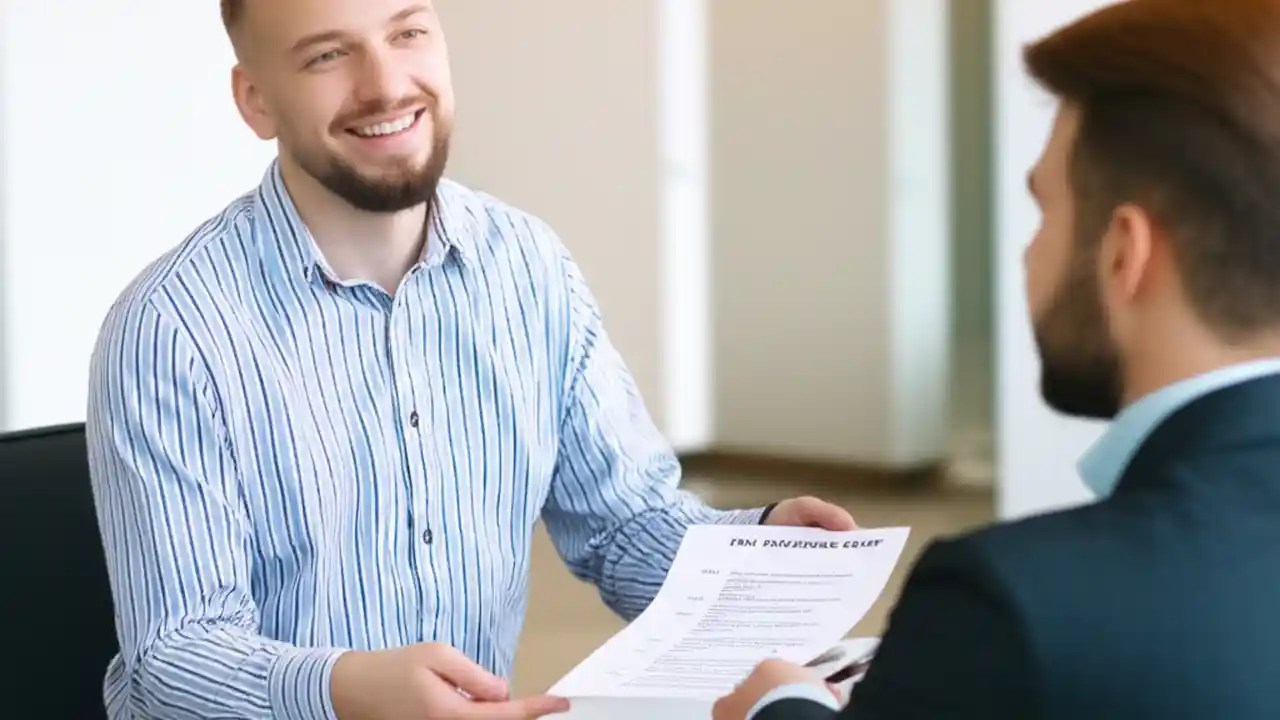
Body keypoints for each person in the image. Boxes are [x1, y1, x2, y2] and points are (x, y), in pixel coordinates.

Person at [84, 1, 857, 718]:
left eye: (408, 32)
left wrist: (758, 554)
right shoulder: (170, 332)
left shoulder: (528, 267)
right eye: (327, 56)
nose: (386, 87)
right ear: (256, 100)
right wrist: (347, 688)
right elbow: (174, 658)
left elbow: (626, 524)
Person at [713, 0, 1280, 718]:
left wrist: (780, 708)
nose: (1029, 255)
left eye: (1044, 213)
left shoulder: (1010, 605)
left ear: (1122, 254)